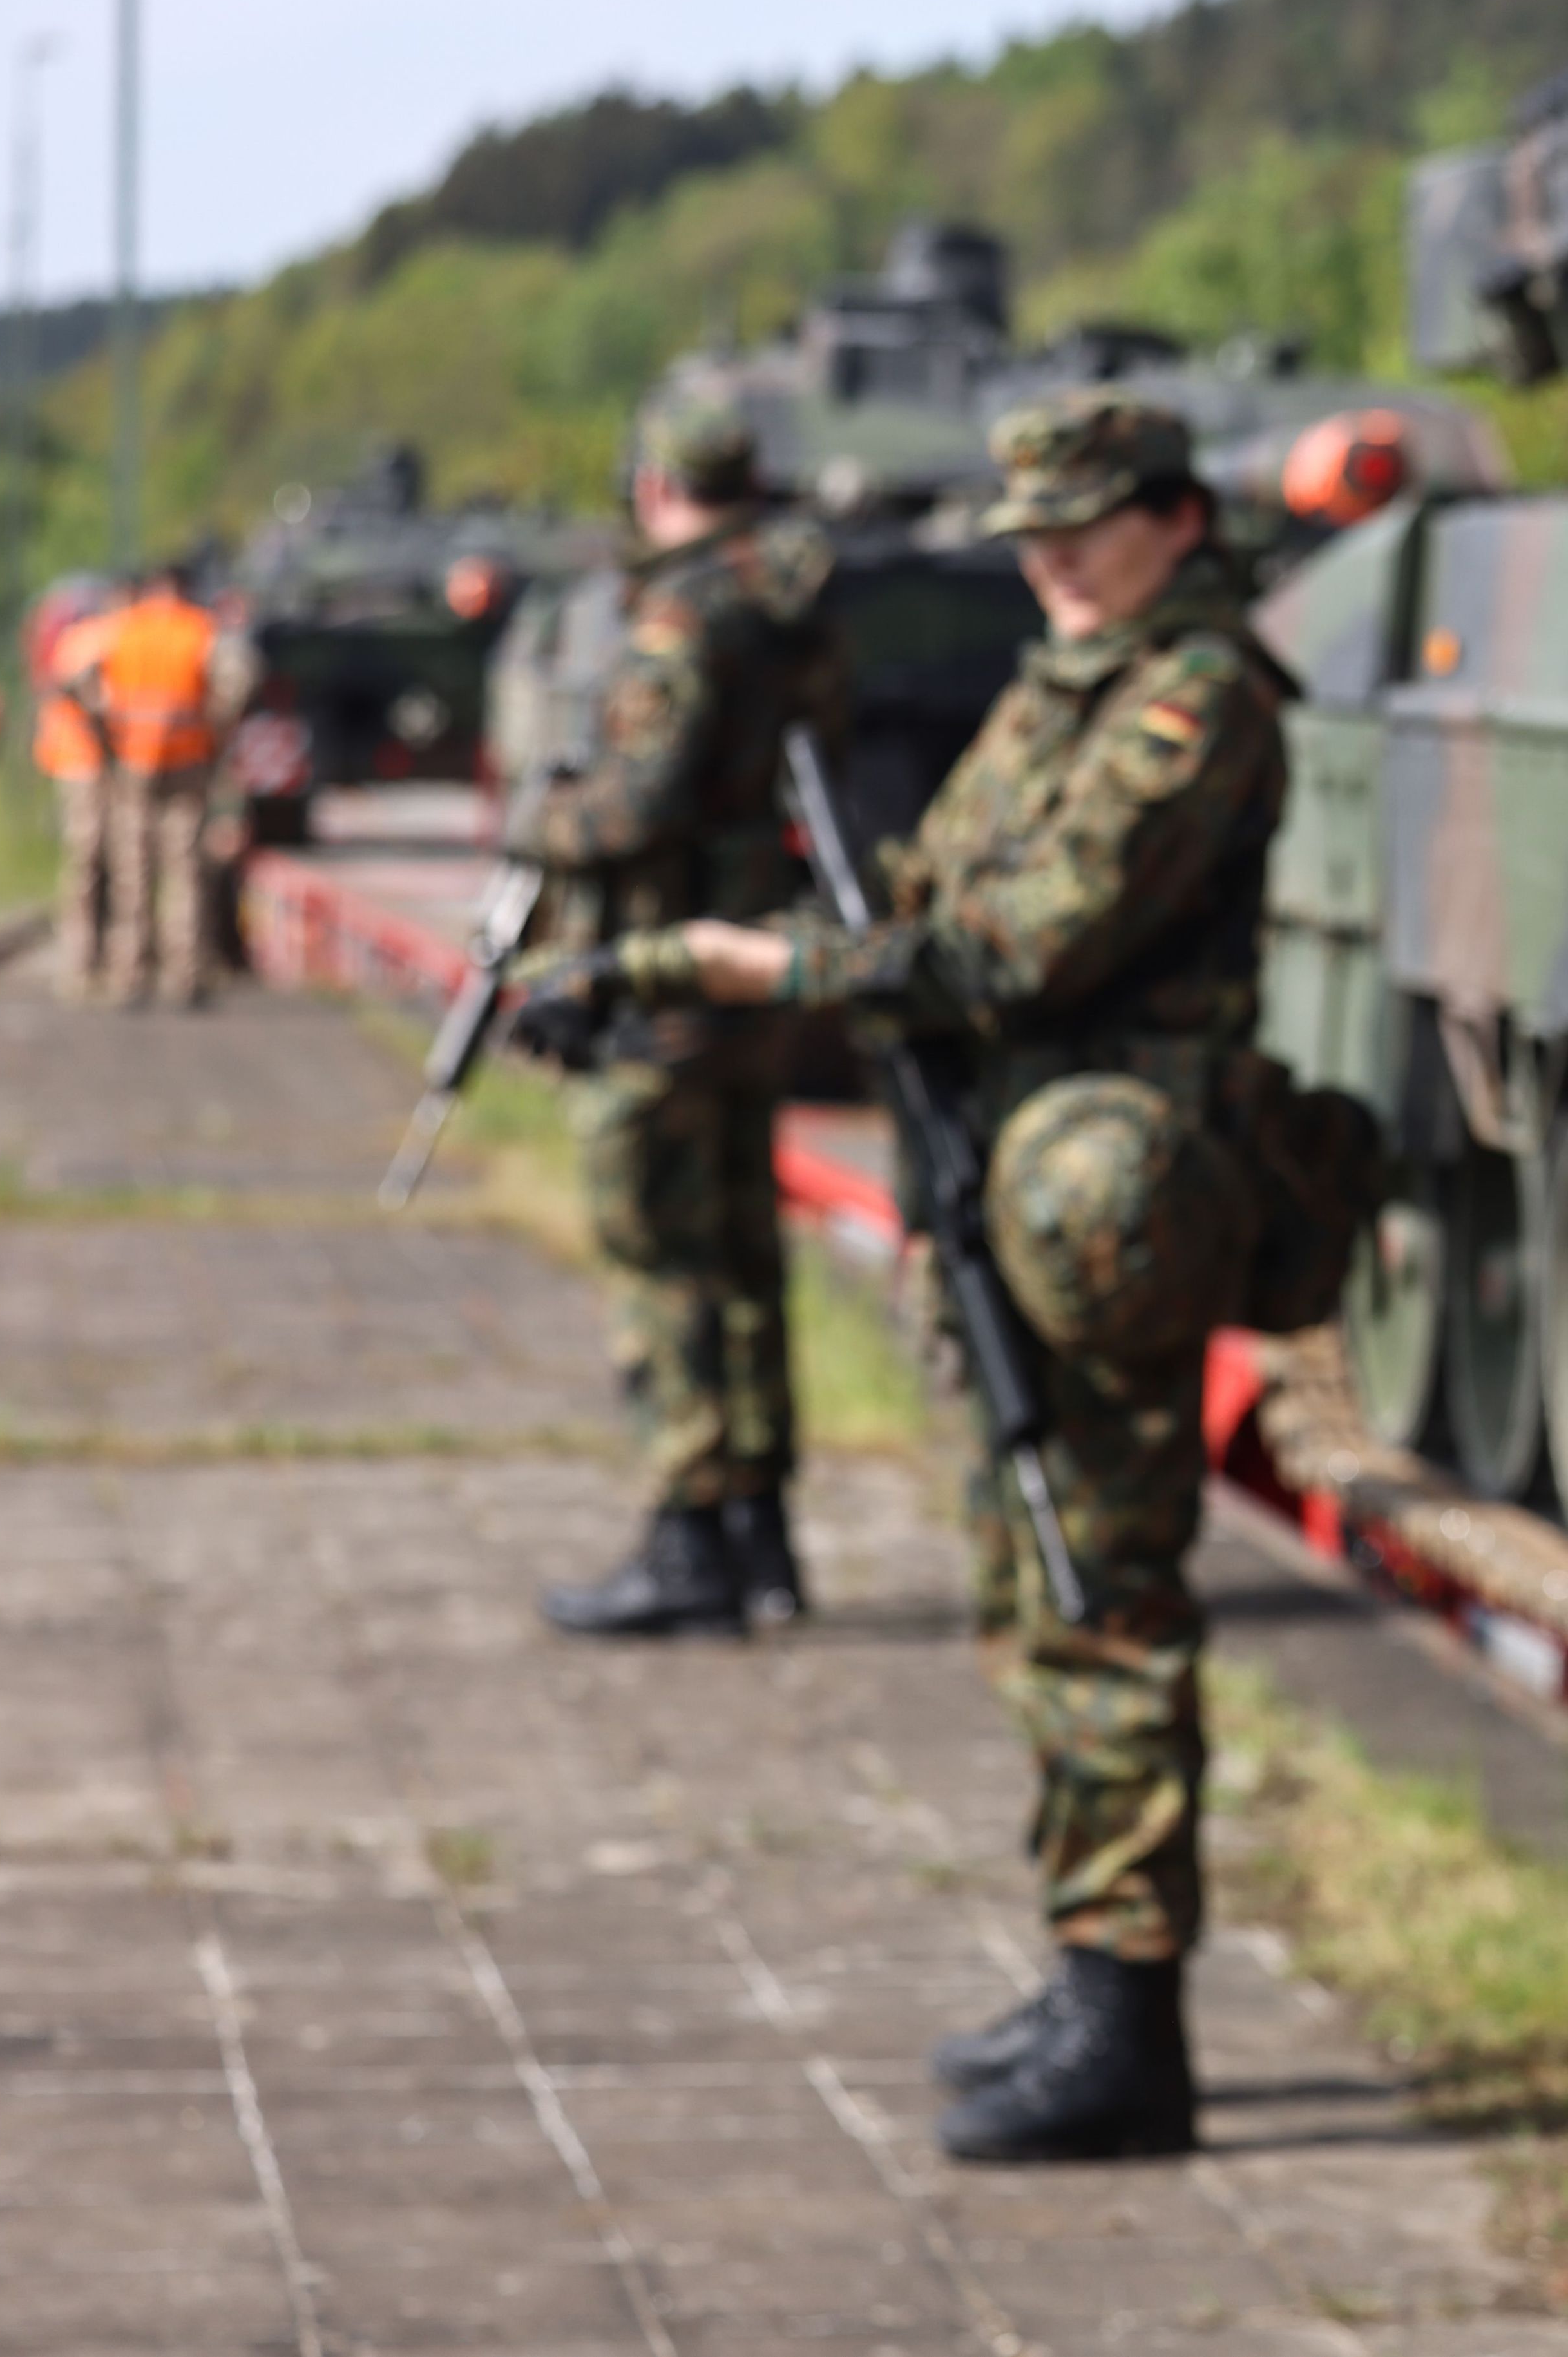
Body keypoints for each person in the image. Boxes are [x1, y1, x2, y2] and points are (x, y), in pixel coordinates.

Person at [529, 390, 1291, 2164]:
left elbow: (1017, 941)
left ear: (1177, 518)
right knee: (1034, 1587)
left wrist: (719, 956)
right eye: (1028, 534)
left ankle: (1131, 2024)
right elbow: (937, 892)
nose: (1048, 561)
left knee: (1099, 1590)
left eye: (1082, 526)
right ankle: (1088, 1966)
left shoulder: (1199, 695)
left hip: (1104, 1184)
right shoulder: (1068, 676)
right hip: (1011, 1167)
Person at [510, 398, 845, 1639]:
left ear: (654, 484)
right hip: (745, 967)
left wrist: (543, 819)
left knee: (662, 1261)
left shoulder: (681, 618)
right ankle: (762, 1531)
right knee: (746, 1256)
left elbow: (636, 805)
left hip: (654, 982)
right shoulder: (789, 609)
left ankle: (687, 1533)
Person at [73, 561, 251, 1009]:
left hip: (133, 763)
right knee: (184, 869)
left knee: (132, 871)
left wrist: (106, 734)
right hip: (189, 762)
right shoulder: (198, 629)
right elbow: (240, 678)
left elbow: (80, 680)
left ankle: (129, 973)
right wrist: (216, 730)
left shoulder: (123, 629)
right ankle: (184, 975)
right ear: (183, 588)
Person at [30, 582, 121, 1002]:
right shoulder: (102, 638)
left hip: (74, 762)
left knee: (90, 863)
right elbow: (92, 700)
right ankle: (86, 964)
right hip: (89, 763)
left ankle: (85, 962)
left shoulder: (76, 639)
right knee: (94, 863)